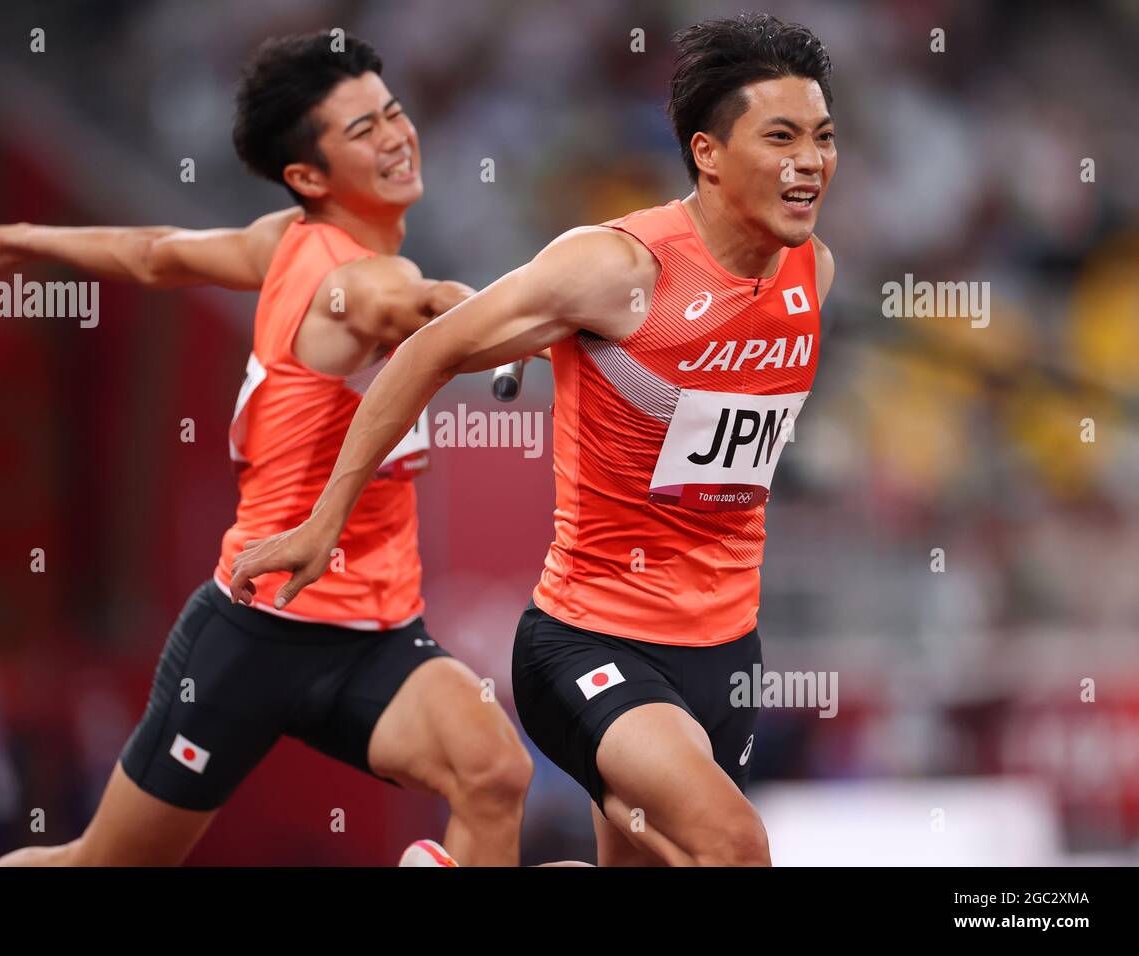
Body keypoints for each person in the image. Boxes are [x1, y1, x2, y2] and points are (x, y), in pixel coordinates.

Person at [0, 30, 532, 867]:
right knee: (101, 864)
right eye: (362, 131)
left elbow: (156, 253)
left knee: (495, 773)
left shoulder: (287, 242)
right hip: (253, 633)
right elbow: (425, 306)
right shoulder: (359, 284)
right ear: (307, 176)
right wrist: (501, 315)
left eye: (393, 112)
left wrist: (22, 240)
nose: (395, 136)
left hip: (374, 639)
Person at [230, 14, 837, 867]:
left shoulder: (814, 269)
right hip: (593, 643)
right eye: (781, 137)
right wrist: (326, 520)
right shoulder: (617, 269)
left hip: (730, 651)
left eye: (822, 136)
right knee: (735, 850)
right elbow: (426, 352)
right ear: (708, 152)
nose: (810, 160)